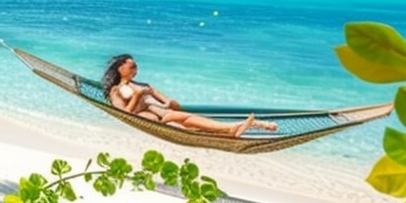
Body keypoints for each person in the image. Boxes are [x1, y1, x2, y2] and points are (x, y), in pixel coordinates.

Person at [100, 54, 277, 138]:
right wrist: (137, 96)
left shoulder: (146, 86)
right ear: (120, 68)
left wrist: (168, 101)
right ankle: (240, 127)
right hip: (155, 121)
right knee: (192, 121)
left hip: (166, 117)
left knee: (195, 127)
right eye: (132, 66)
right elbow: (125, 114)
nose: (135, 69)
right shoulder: (116, 90)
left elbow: (173, 104)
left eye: (136, 66)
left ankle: (243, 127)